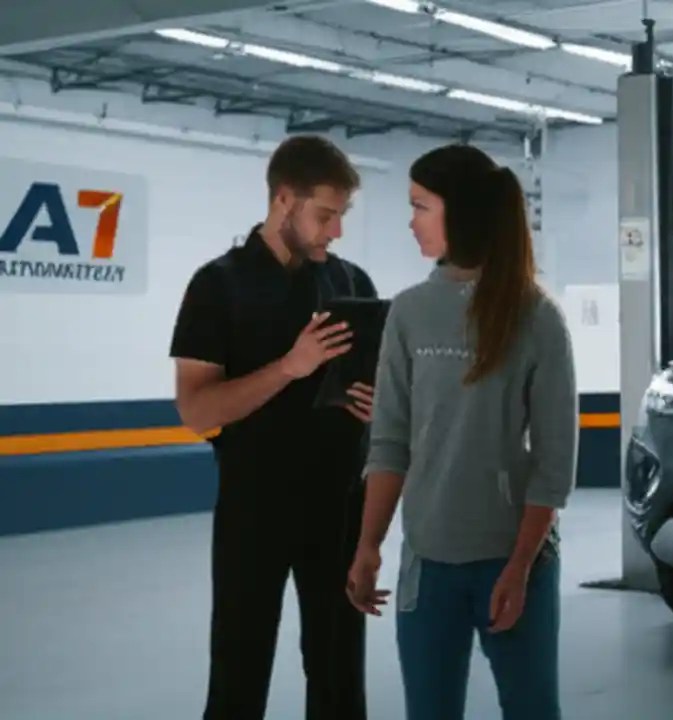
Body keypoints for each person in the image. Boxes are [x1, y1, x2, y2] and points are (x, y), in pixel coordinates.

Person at [345, 143, 579, 720]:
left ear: (463, 212)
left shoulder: (537, 317)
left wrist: (519, 567)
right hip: (428, 563)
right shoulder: (409, 312)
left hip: (514, 558)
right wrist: (369, 544)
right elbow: (390, 440)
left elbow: (554, 465)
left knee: (532, 711)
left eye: (421, 206)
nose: (411, 222)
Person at [169, 135, 377, 720]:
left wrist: (379, 406)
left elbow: (383, 391)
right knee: (238, 676)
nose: (337, 231)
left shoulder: (352, 284)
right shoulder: (218, 286)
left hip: (340, 509)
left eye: (342, 215)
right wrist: (289, 367)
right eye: (325, 215)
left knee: (340, 685)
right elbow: (196, 412)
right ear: (283, 200)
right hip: (254, 509)